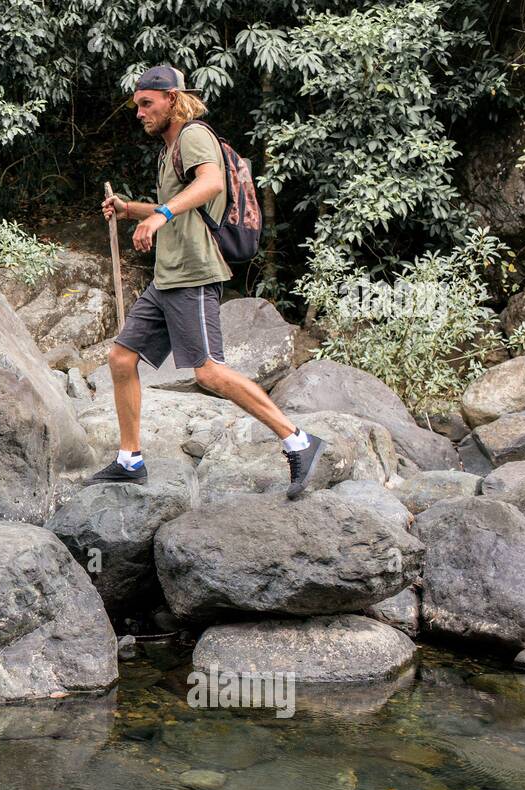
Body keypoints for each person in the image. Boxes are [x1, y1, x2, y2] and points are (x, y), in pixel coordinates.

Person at [88, 64, 324, 499]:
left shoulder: (195, 135)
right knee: (122, 358)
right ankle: (130, 459)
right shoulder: (170, 148)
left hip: (193, 276)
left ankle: (298, 440)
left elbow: (211, 183)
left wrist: (159, 216)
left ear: (172, 100)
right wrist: (131, 209)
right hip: (168, 278)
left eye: (146, 104)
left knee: (209, 371)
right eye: (136, 105)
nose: (139, 112)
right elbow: (177, 206)